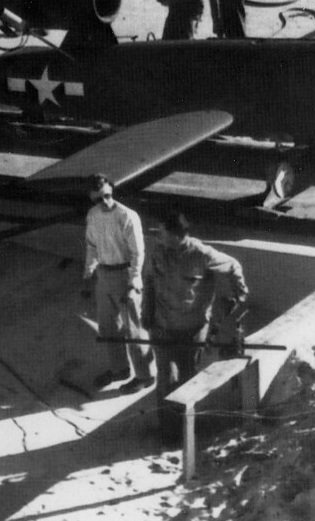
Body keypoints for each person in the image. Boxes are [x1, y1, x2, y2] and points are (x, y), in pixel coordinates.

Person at [141, 209, 248, 431]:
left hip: (192, 329)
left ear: (176, 234)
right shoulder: (158, 253)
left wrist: (238, 295)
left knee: (187, 378)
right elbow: (149, 280)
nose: (158, 237)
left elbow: (233, 266)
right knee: (165, 377)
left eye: (161, 232)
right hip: (161, 327)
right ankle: (168, 429)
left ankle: (186, 428)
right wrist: (146, 311)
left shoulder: (202, 254)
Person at [81, 177, 151, 391]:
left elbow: (138, 252)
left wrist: (134, 281)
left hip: (125, 275)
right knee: (108, 326)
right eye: (99, 199)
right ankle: (120, 369)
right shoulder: (93, 216)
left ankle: (144, 376)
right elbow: (91, 245)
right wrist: (88, 272)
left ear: (112, 190)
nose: (105, 202)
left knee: (133, 329)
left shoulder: (127, 216)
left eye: (108, 196)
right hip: (104, 275)